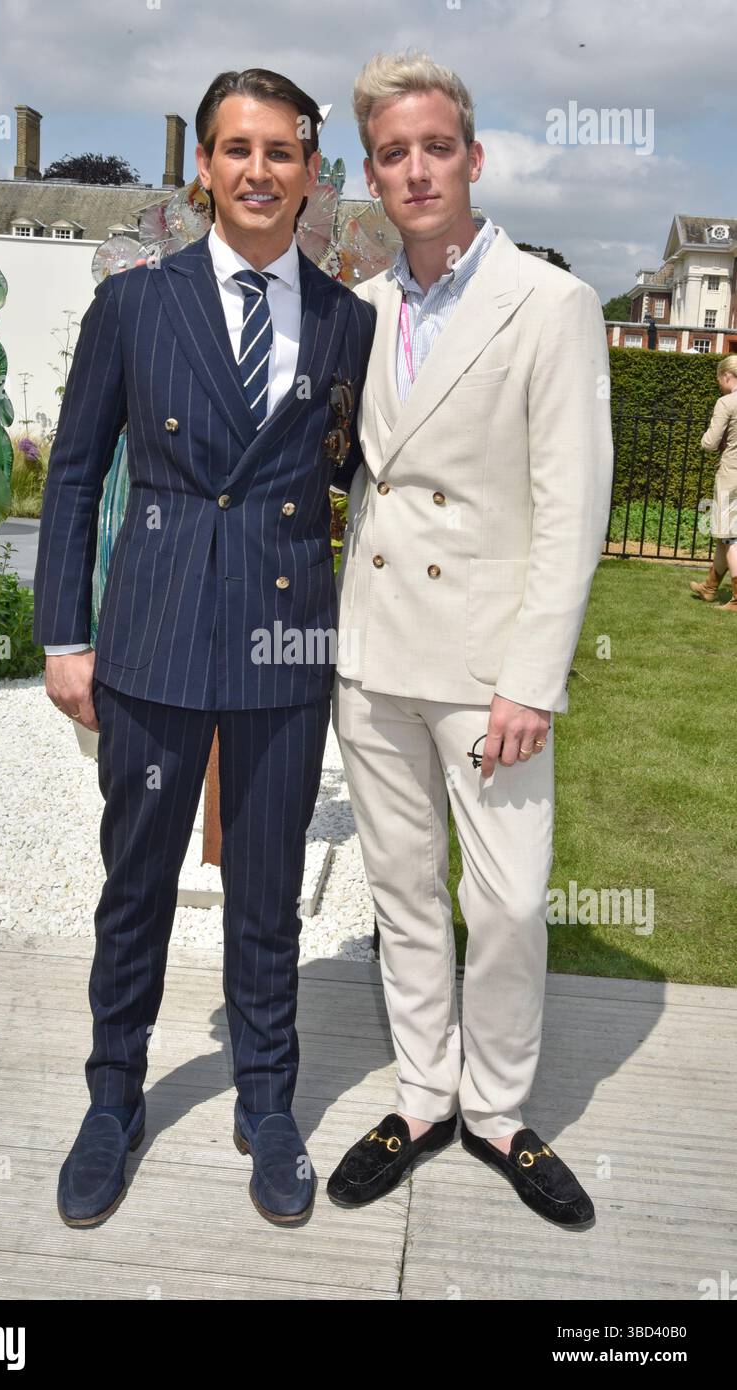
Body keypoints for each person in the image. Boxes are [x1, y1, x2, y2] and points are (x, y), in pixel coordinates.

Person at [33, 68, 375, 1228]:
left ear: (309, 170)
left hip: (283, 644)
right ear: (205, 167)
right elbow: (73, 474)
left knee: (266, 892)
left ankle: (267, 1102)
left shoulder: (346, 320)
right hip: (155, 640)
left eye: (280, 151)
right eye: (238, 148)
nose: (258, 170)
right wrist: (65, 635)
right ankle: (112, 1098)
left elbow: (355, 474)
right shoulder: (135, 305)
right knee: (134, 887)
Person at [326, 50, 613, 1228]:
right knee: (400, 891)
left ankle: (495, 1110)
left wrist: (530, 680)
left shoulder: (549, 303)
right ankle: (422, 1094)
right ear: (372, 175)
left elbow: (572, 506)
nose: (415, 170)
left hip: (489, 670)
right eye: (391, 153)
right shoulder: (359, 309)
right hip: (371, 655)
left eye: (434, 147)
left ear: (473, 158)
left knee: (503, 903)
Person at [690, 354, 737, 611]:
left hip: (732, 475)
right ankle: (709, 587)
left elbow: (709, 442)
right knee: (725, 534)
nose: (719, 383)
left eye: (719, 378)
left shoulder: (726, 402)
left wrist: (709, 439)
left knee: (730, 537)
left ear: (727, 376)